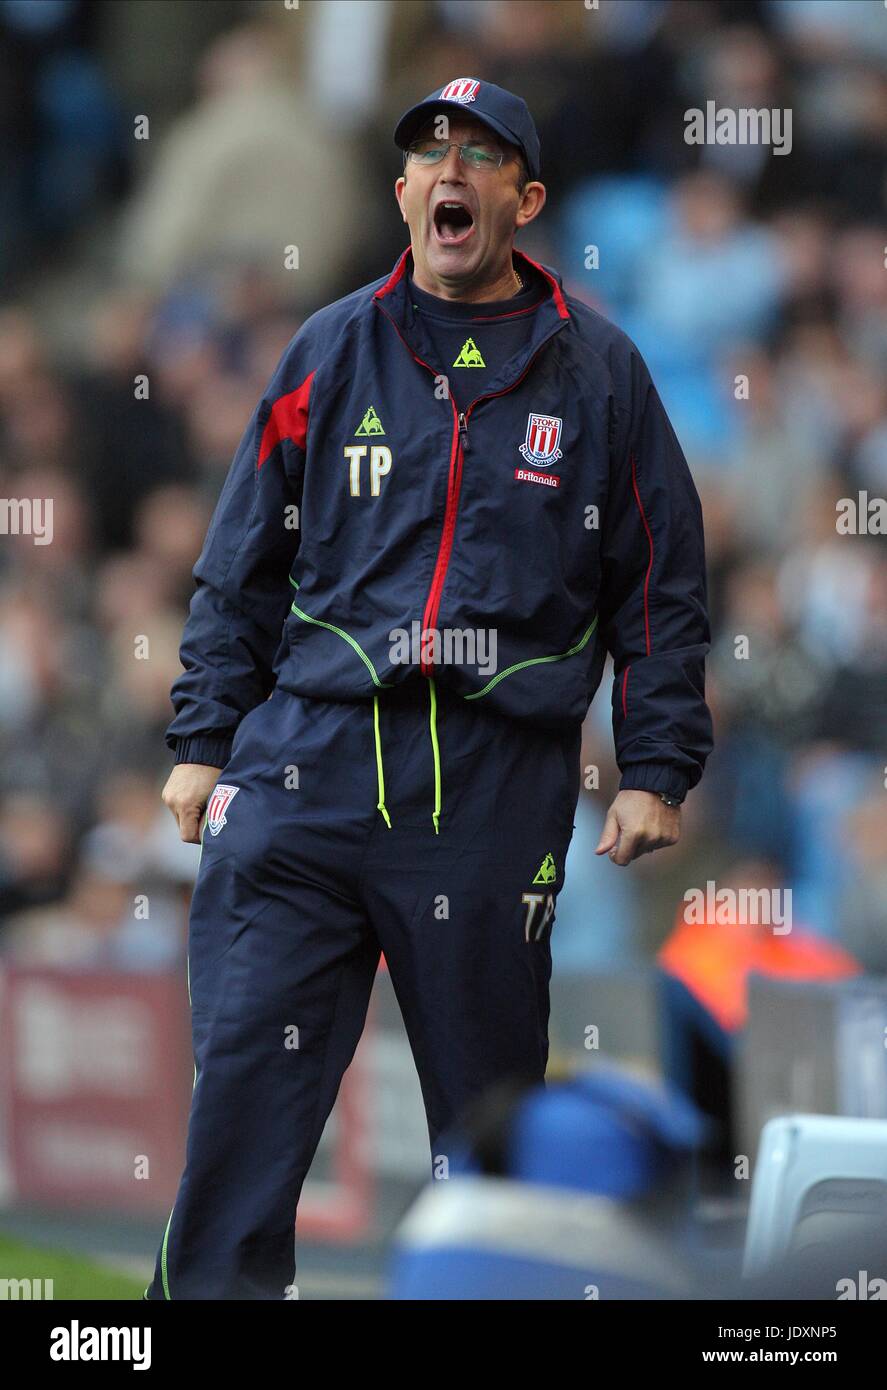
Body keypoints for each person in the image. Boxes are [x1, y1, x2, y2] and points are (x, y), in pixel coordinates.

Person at [146, 78, 713, 1300]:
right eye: (427, 152)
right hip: (305, 764)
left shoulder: (601, 374)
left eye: (480, 153)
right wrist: (202, 738)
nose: (449, 168)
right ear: (402, 192)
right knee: (246, 1080)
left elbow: (659, 586)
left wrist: (658, 766)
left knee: (488, 1118)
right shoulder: (328, 346)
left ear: (524, 196)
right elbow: (241, 562)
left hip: (491, 787)